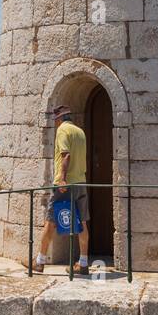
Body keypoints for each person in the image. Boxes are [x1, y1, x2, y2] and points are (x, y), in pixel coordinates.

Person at [33, 105, 90, 276]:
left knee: (50, 221)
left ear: (58, 119)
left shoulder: (62, 131)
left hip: (65, 185)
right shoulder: (80, 132)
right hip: (81, 182)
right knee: (83, 222)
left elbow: (65, 155)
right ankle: (84, 263)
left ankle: (39, 262)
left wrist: (62, 178)